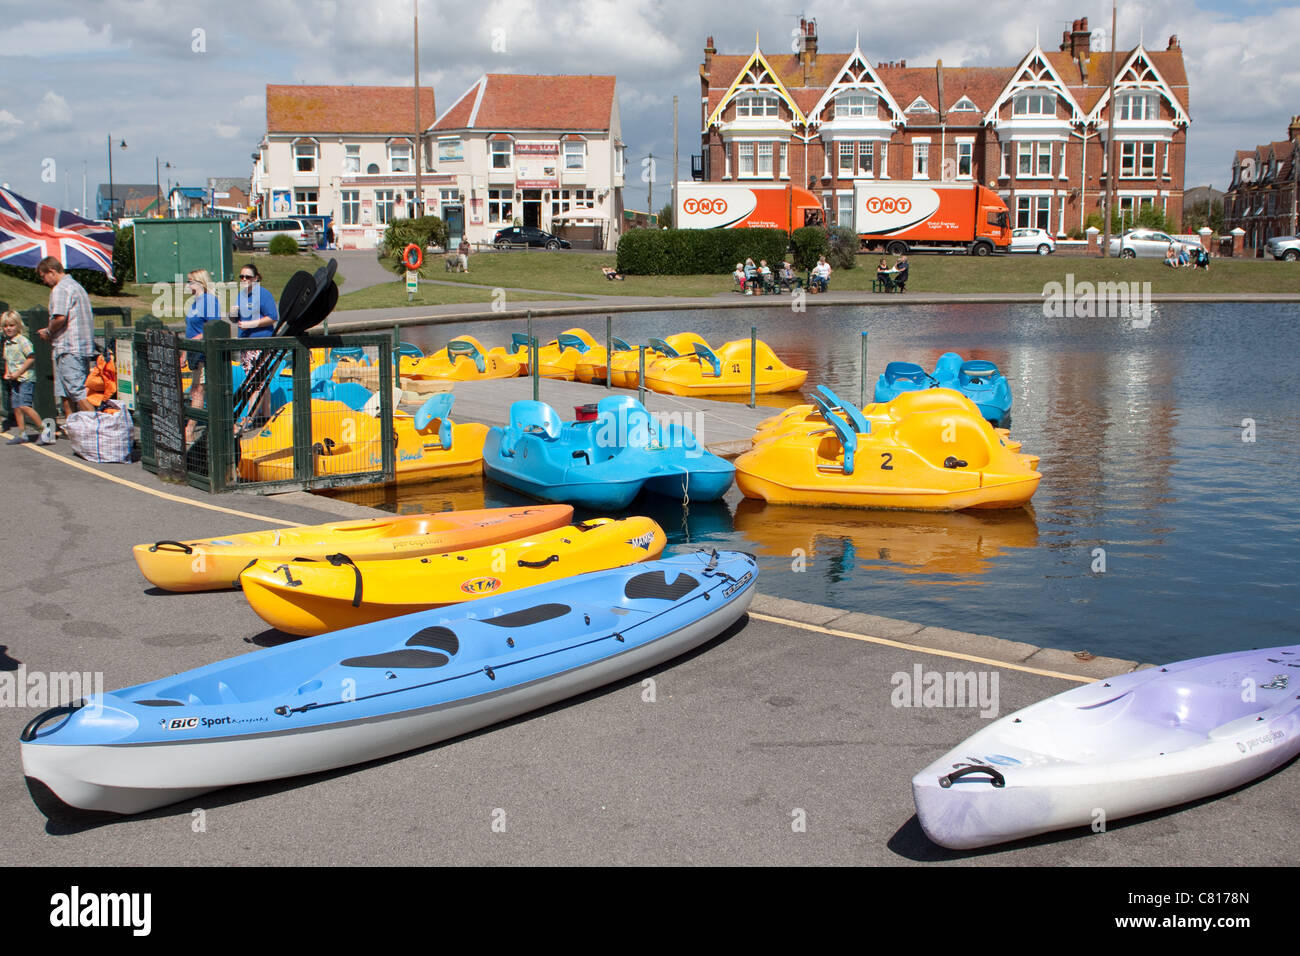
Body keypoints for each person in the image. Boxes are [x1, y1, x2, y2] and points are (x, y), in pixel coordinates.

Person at [35, 257, 95, 433]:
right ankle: (75, 430)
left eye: (43, 276)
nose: (44, 281)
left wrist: (47, 331)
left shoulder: (60, 289)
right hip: (82, 346)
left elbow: (59, 317)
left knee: (76, 391)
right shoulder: (77, 286)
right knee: (68, 391)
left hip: (69, 347)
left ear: (52, 272)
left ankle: (99, 428)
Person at [184, 269, 222, 442]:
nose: (188, 284)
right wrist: (185, 351)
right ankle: (198, 428)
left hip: (205, 353)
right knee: (196, 391)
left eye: (190, 281)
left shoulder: (209, 301)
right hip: (194, 352)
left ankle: (189, 429)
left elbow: (213, 328)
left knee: (198, 391)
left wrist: (196, 340)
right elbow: (190, 329)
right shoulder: (195, 303)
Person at [2, 311, 44, 444]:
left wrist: (19, 372)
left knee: (25, 406)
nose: (8, 328)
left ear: (18, 325)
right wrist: (7, 372)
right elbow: (7, 360)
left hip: (25, 378)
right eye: (5, 326)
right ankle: (22, 434)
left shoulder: (22, 341)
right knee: (17, 407)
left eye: (12, 325)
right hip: (14, 380)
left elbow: (31, 357)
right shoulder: (7, 343)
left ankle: (44, 431)